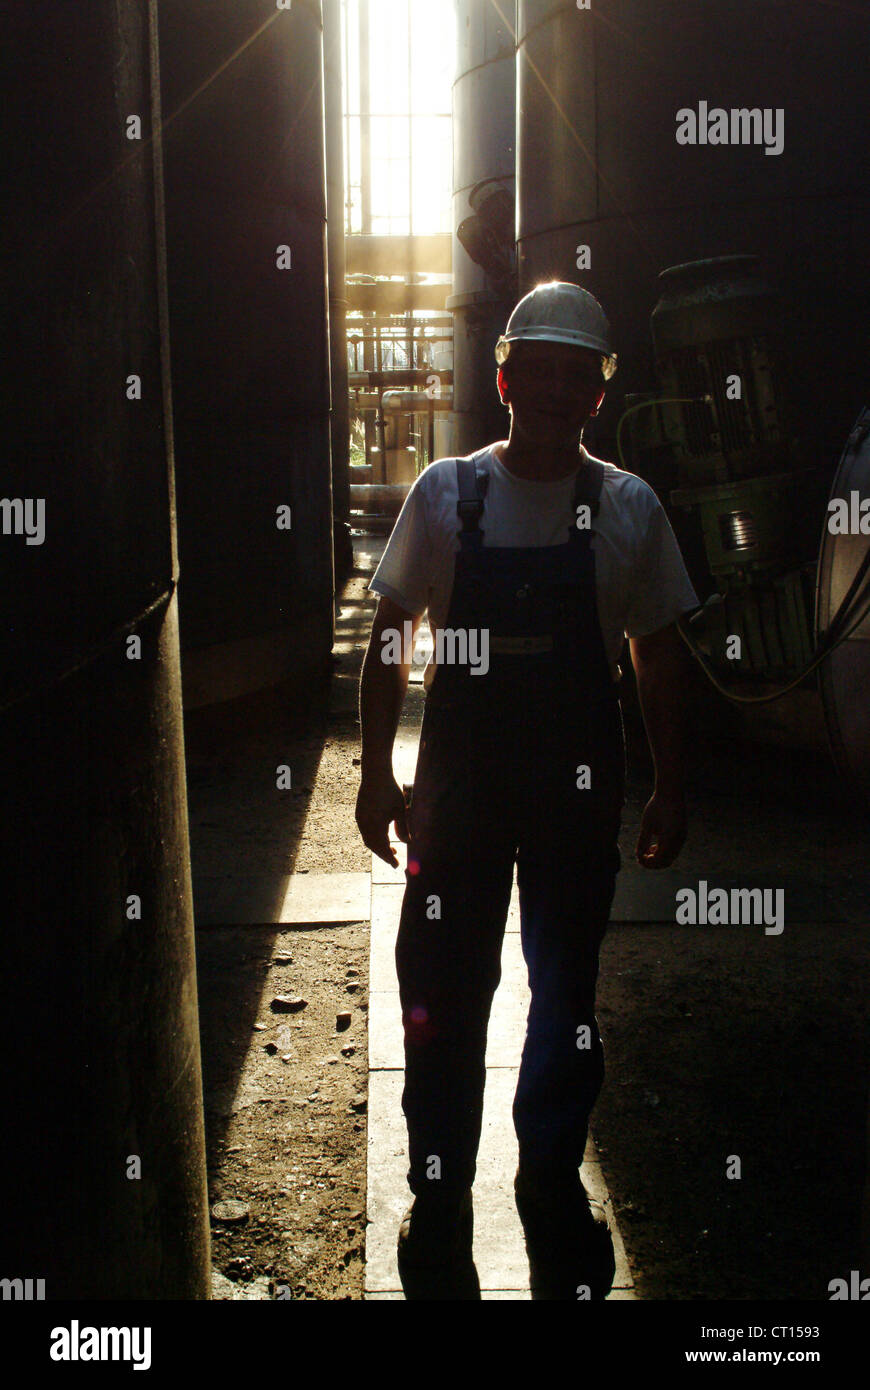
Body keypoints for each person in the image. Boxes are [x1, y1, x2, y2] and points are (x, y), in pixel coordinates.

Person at [355, 282, 698, 1299]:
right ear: (502, 378)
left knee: (564, 991)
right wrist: (377, 768)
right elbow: (390, 634)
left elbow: (658, 652)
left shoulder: (628, 507)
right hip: (455, 793)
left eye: (576, 373)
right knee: (444, 990)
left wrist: (671, 783)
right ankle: (440, 1176)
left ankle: (549, 1168)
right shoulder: (447, 494)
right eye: (534, 368)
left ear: (599, 393)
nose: (553, 389)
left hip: (574, 787)